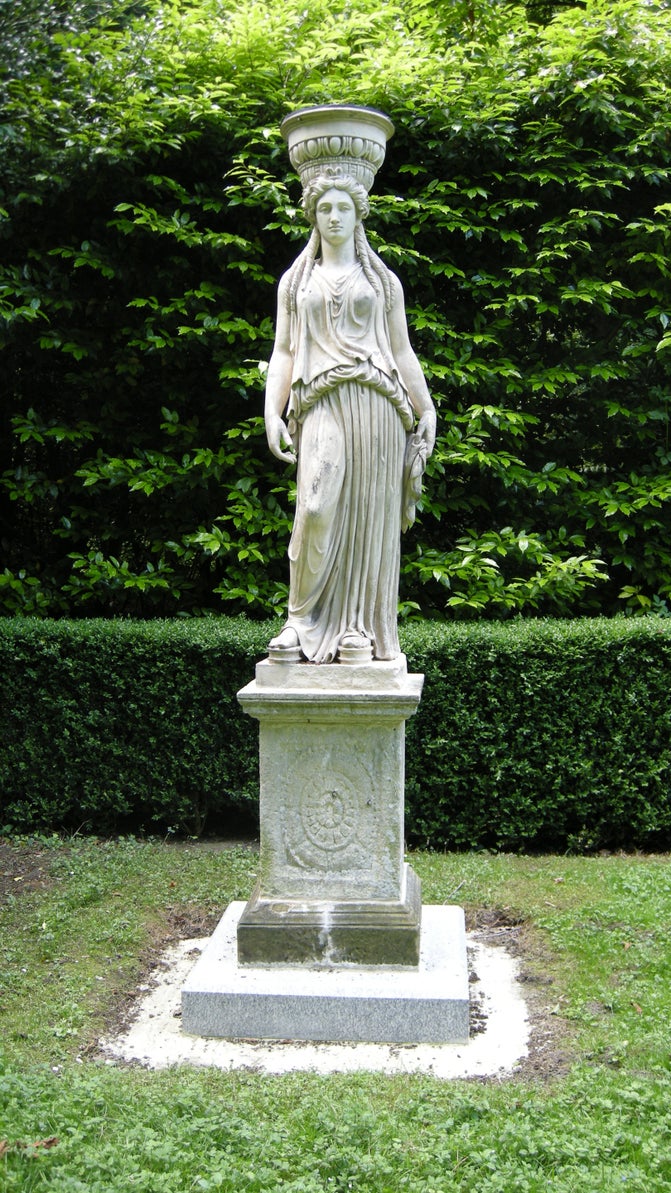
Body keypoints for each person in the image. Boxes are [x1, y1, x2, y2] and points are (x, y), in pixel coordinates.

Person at [265, 169, 436, 664]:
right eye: (324, 209)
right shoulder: (297, 282)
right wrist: (272, 413)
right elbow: (283, 351)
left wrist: (426, 409)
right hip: (321, 402)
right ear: (313, 217)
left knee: (368, 517)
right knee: (316, 507)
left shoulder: (382, 283)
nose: (333, 216)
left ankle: (356, 628)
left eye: (343, 208)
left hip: (378, 404)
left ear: (359, 214)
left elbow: (402, 351)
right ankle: (301, 620)